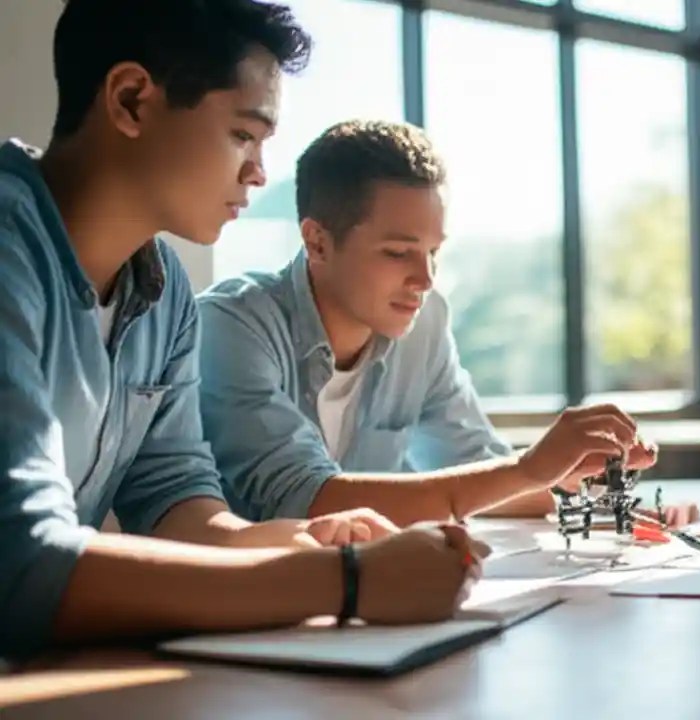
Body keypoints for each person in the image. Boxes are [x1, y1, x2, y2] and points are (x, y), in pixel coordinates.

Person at [0, 0, 489, 661]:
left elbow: (179, 505)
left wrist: (305, 542)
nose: (259, 172)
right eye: (242, 135)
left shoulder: (166, 293)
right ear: (132, 100)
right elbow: (18, 563)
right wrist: (345, 583)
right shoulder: (10, 250)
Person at [197, 120, 693, 528]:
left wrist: (599, 499)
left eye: (434, 251)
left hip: (374, 591)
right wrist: (529, 469)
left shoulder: (424, 323)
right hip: (250, 602)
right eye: (398, 253)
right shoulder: (232, 327)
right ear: (317, 242)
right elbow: (305, 499)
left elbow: (476, 470)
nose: (425, 279)